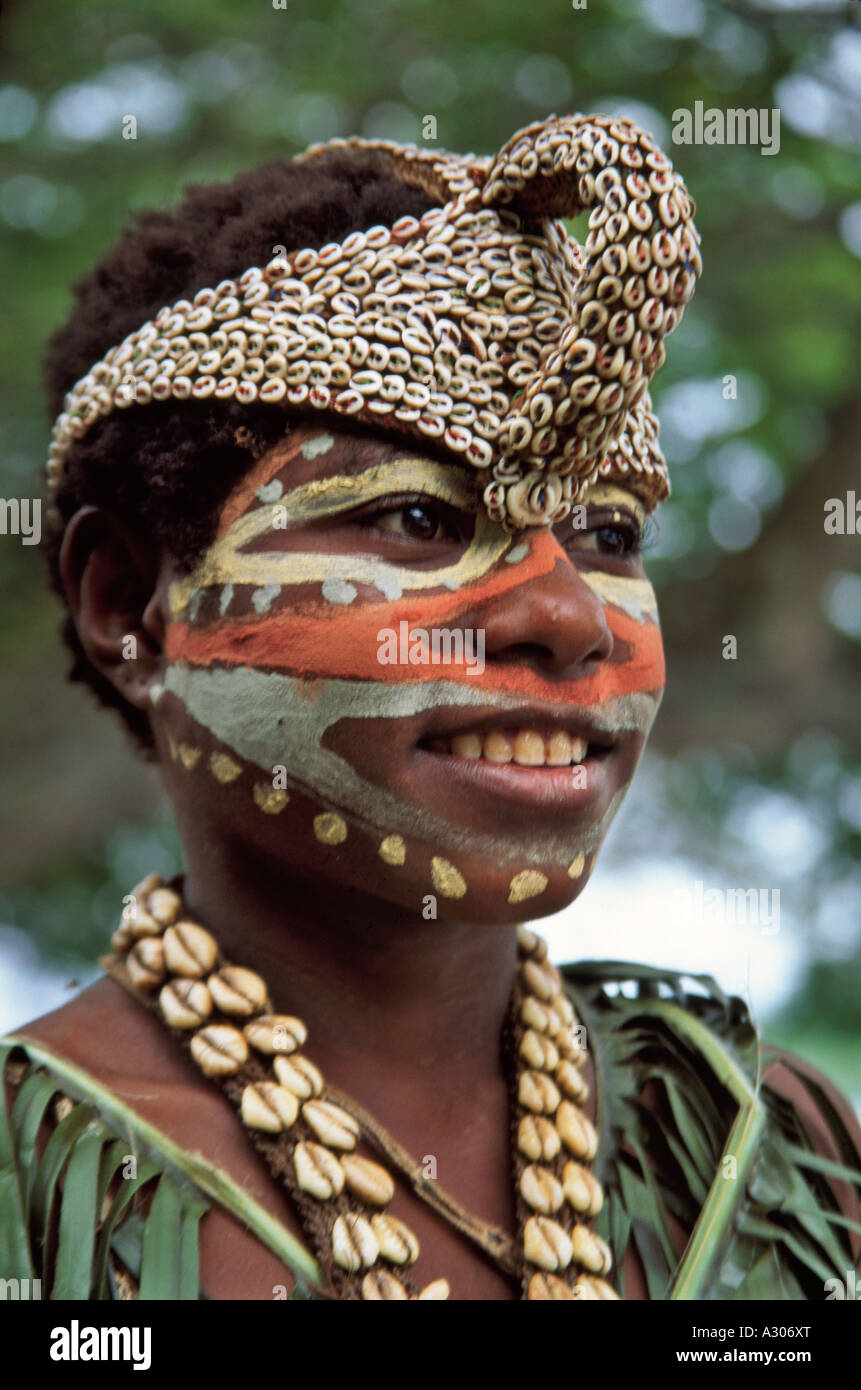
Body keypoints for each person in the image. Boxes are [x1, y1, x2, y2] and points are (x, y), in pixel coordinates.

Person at [2, 113, 858, 1302]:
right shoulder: (30, 1201)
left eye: (609, 533)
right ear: (126, 602)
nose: (570, 615)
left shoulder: (772, 1145)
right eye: (417, 519)